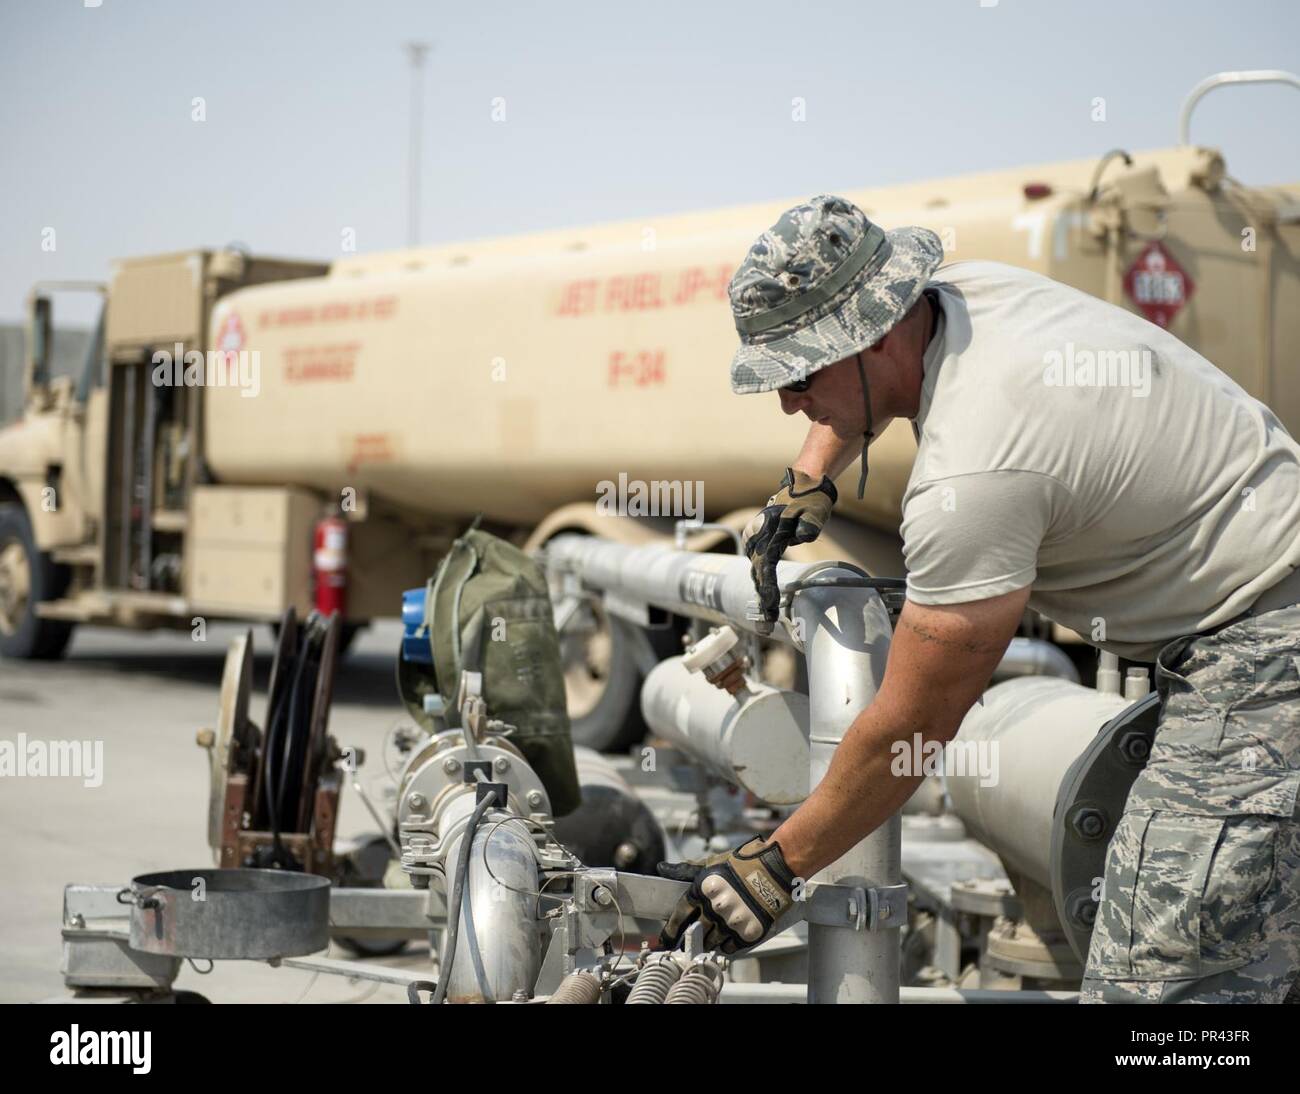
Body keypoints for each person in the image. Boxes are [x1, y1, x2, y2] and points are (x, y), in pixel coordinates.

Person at [657, 194, 1300, 1003]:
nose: (788, 399)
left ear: (876, 332)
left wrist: (777, 865)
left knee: (1159, 985)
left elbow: (915, 727)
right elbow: (862, 387)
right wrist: (809, 478)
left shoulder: (977, 467)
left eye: (799, 372)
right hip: (1264, 603)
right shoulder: (961, 298)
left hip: (1267, 655)